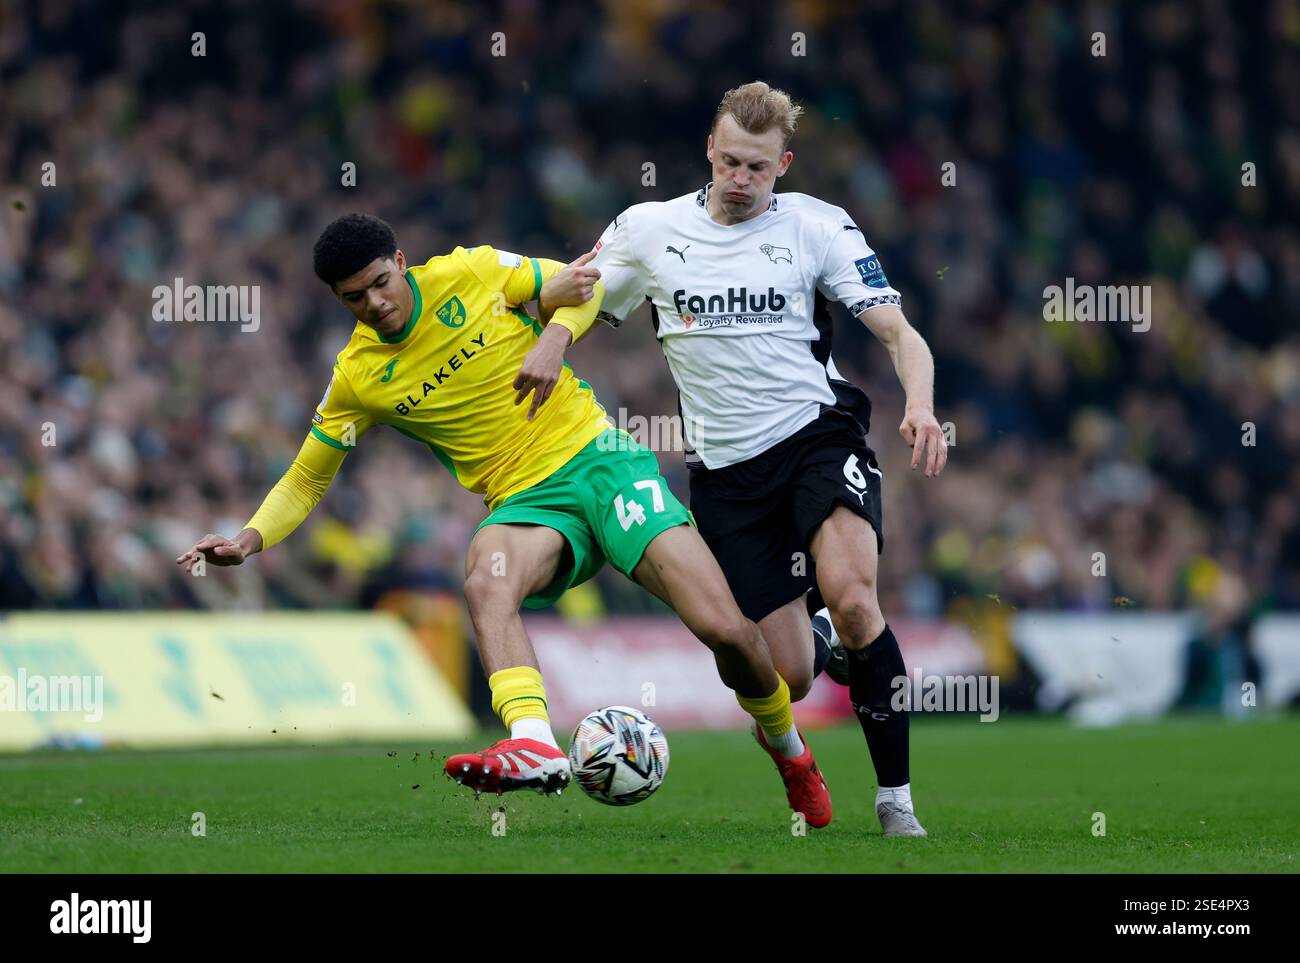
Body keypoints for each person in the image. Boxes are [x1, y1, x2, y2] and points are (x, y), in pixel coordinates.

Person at [175, 213, 831, 825]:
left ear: (401, 263)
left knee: (727, 631)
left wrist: (551, 340)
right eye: (355, 296)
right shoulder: (358, 377)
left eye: (380, 282)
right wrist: (249, 537)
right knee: (485, 576)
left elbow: (582, 286)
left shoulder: (474, 270)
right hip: (526, 505)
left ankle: (789, 748)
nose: (375, 302)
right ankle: (535, 743)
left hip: (601, 462)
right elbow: (309, 475)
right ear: (338, 300)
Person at [530, 83, 947, 836]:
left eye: (758, 166)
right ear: (709, 154)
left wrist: (919, 403)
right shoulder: (650, 228)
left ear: (782, 163)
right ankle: (824, 645)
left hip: (818, 437)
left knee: (855, 600)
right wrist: (555, 340)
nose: (742, 179)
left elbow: (899, 332)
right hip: (726, 476)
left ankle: (896, 803)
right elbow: (581, 291)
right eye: (730, 162)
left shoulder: (819, 226)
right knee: (786, 672)